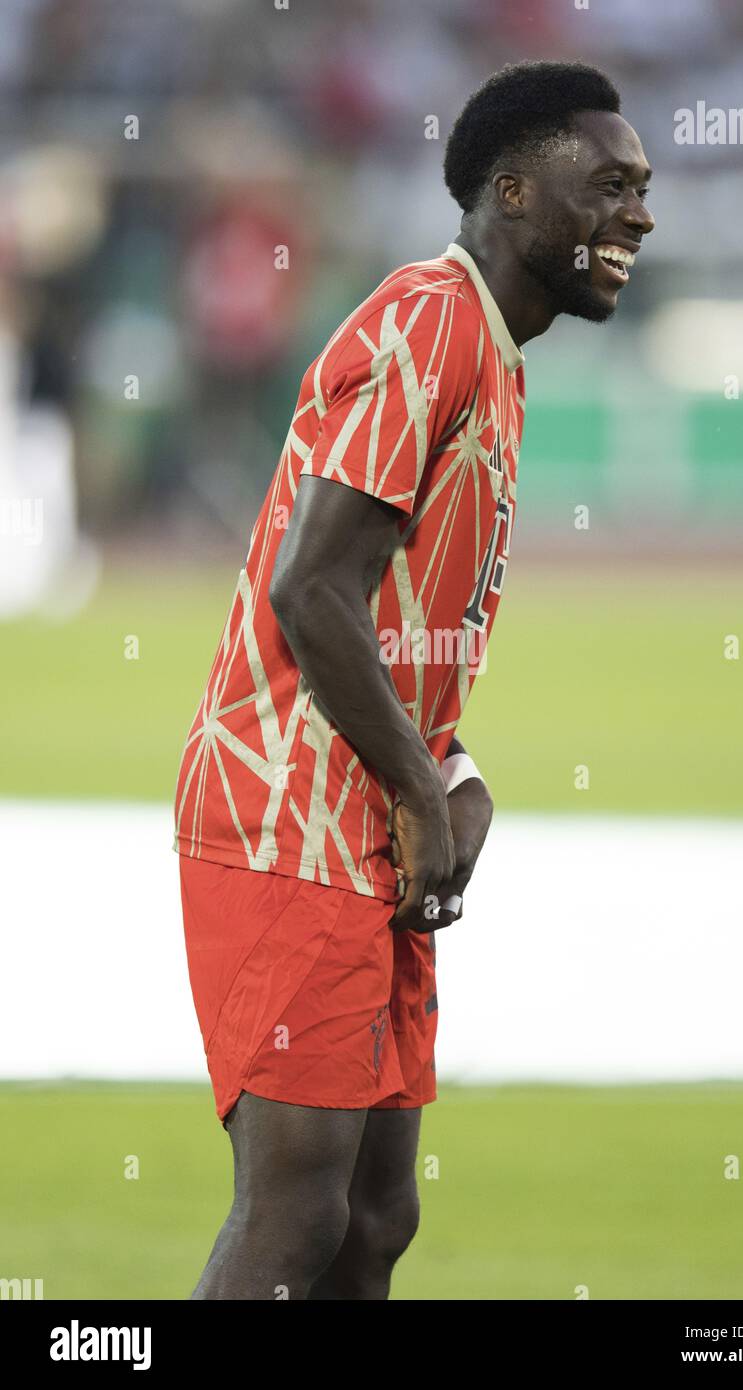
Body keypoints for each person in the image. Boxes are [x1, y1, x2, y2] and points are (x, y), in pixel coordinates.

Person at [173, 58, 654, 1300]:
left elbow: (398, 624)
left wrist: (453, 769)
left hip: (373, 809)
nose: (638, 216)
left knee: (374, 1219)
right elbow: (311, 589)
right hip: (287, 812)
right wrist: (420, 788)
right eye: (608, 186)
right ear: (511, 190)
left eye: (642, 190)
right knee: (292, 1218)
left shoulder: (495, 358)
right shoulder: (424, 319)